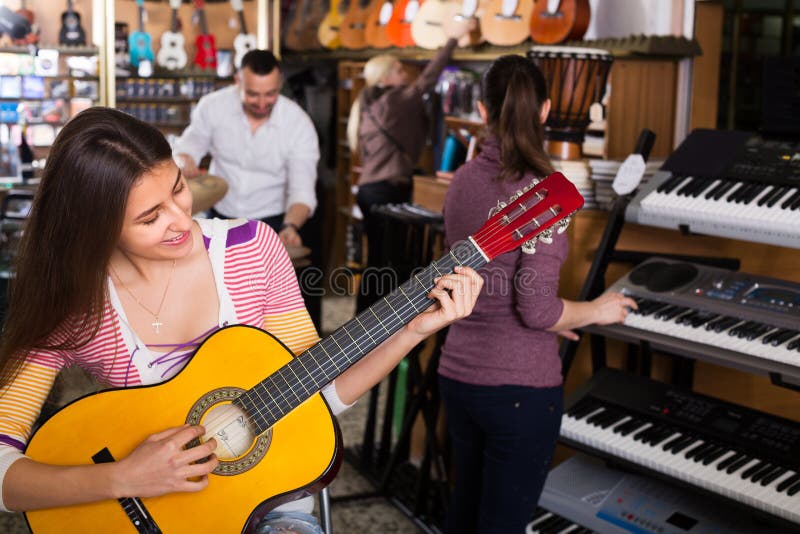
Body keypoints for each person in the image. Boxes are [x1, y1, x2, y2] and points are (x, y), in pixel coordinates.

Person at [0, 107, 483, 533]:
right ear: (95, 229)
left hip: (265, 501)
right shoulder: (73, 298)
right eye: (150, 218)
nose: (180, 220)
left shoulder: (252, 251)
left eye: (178, 189)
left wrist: (414, 329)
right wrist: (125, 477)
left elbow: (316, 401)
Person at [437, 55, 637, 534]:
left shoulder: (461, 180)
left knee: (464, 513)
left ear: (483, 112)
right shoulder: (545, 192)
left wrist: (560, 317)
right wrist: (597, 311)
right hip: (518, 392)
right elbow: (536, 308)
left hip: (459, 377)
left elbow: (482, 281)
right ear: (546, 110)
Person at [346, 19, 474, 312]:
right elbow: (426, 81)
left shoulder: (368, 104)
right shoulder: (394, 103)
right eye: (399, 70)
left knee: (377, 259)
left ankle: (362, 321)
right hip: (386, 192)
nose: (404, 75)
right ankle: (373, 325)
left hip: (369, 190)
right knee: (385, 262)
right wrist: (452, 40)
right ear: (385, 77)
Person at [174, 49, 317, 248]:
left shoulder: (299, 124)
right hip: (218, 217)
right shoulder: (212, 106)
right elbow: (186, 149)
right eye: (252, 94)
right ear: (238, 81)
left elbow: (302, 191)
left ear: (280, 83)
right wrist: (184, 161)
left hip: (271, 222)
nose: (261, 103)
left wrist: (291, 227)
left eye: (270, 94)